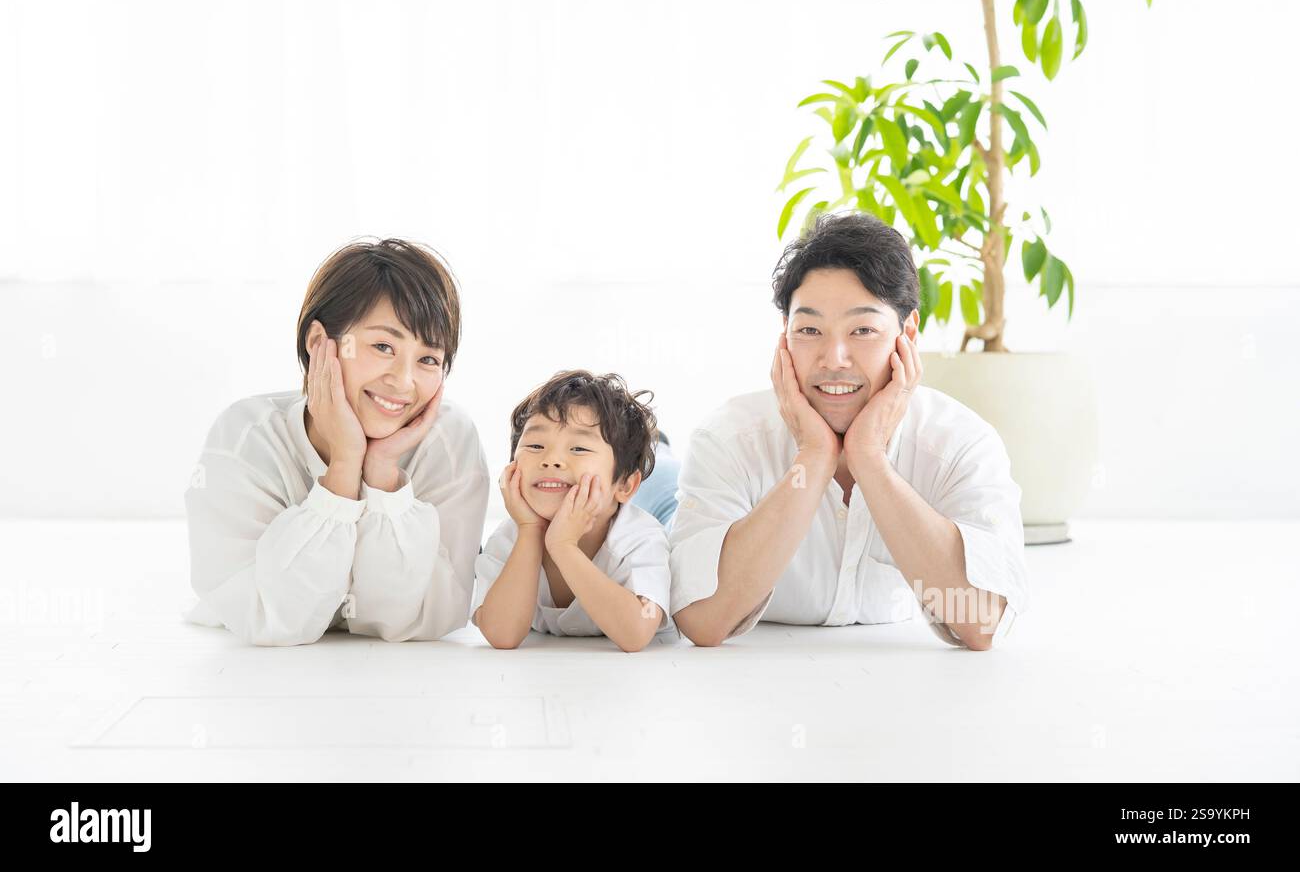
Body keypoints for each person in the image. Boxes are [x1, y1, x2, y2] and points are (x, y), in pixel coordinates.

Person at [668, 211, 1031, 650]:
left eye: (863, 329)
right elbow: (703, 621)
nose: (834, 358)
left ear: (907, 334)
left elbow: (981, 623)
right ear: (784, 337)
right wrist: (814, 457)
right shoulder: (725, 440)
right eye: (809, 330)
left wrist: (870, 459)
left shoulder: (962, 444)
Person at [183, 238, 490, 646]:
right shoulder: (244, 438)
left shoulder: (449, 440)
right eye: (383, 346)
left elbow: (416, 619)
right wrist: (344, 466)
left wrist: (382, 475)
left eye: (428, 359)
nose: (403, 381)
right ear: (317, 343)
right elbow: (277, 621)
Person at [471, 370, 675, 651]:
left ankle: (659, 446)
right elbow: (501, 635)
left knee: (665, 475)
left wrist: (564, 546)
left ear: (625, 484)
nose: (551, 460)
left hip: (666, 503)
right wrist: (531, 532)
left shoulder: (641, 537)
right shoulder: (510, 537)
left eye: (578, 448)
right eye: (535, 445)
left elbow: (637, 632)